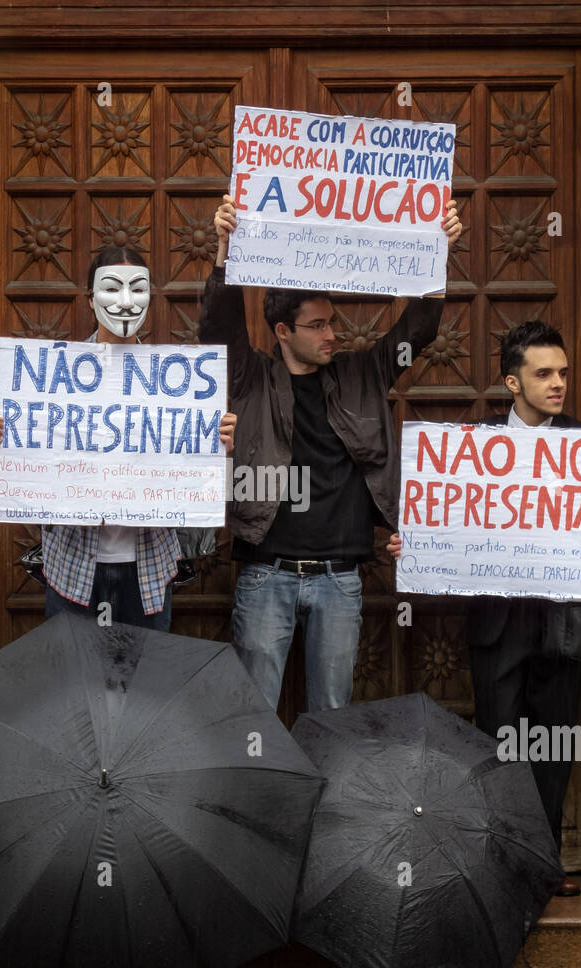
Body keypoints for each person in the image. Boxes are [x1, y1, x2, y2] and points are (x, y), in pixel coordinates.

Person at [388, 320, 581, 896]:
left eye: (564, 373)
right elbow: (442, 515)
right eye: (543, 373)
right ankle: (498, 860)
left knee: (551, 740)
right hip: (498, 622)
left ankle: (544, 862)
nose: (558, 384)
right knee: (499, 743)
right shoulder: (471, 447)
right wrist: (414, 542)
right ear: (511, 381)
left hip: (565, 620)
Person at [202, 194, 463, 714]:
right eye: (317, 326)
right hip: (265, 575)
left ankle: (330, 801)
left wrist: (439, 249)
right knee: (251, 718)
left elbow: (416, 331)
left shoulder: (362, 374)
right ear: (282, 332)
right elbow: (218, 328)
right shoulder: (251, 376)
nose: (331, 334)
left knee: (333, 719)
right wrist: (224, 250)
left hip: (339, 580)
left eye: (331, 323)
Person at [0, 245, 236, 630]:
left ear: (150, 298)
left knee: (142, 685)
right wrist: (15, 436)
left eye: (138, 290)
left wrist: (215, 446)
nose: (125, 302)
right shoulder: (51, 377)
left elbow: (193, 475)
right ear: (90, 299)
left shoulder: (174, 381)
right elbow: (39, 465)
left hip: (148, 568)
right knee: (74, 683)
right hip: (73, 567)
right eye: (111, 289)